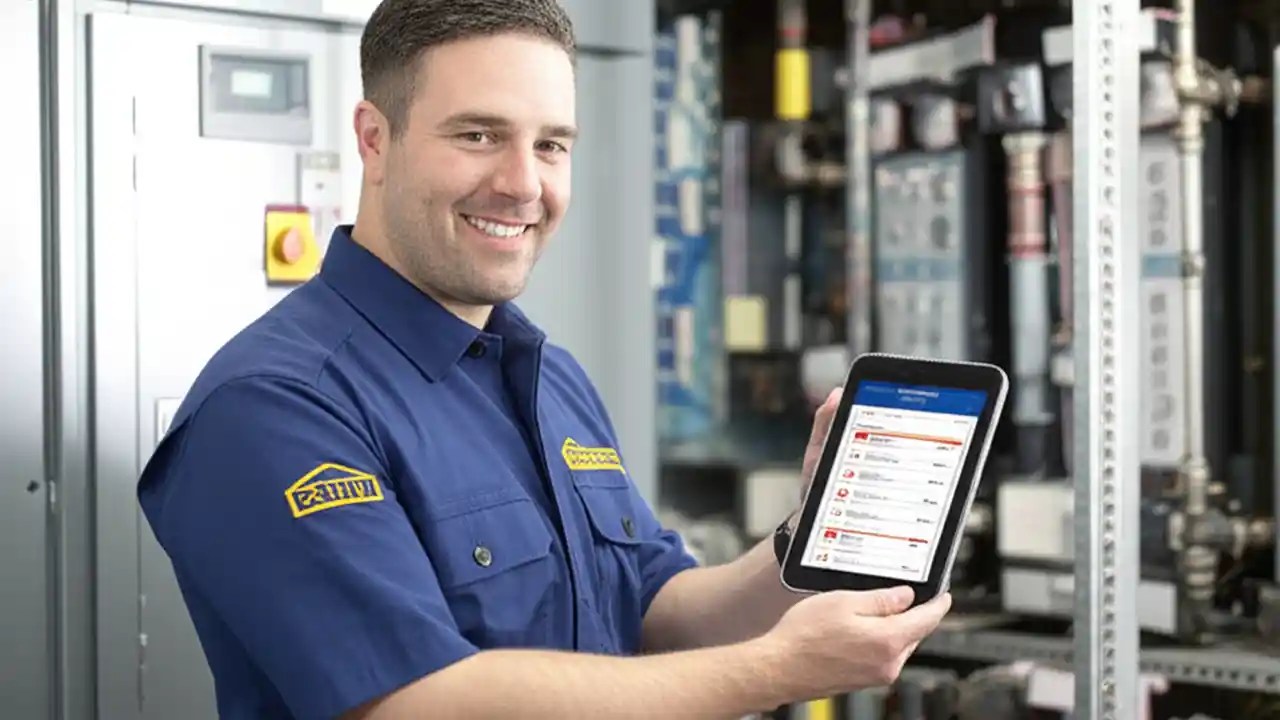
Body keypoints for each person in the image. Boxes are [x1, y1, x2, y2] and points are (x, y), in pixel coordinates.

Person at [137, 0, 952, 718]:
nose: (524, 184)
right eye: (479, 135)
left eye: (552, 144)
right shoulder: (274, 405)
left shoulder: (545, 375)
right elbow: (417, 703)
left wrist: (810, 539)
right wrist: (777, 669)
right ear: (374, 140)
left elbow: (653, 609)